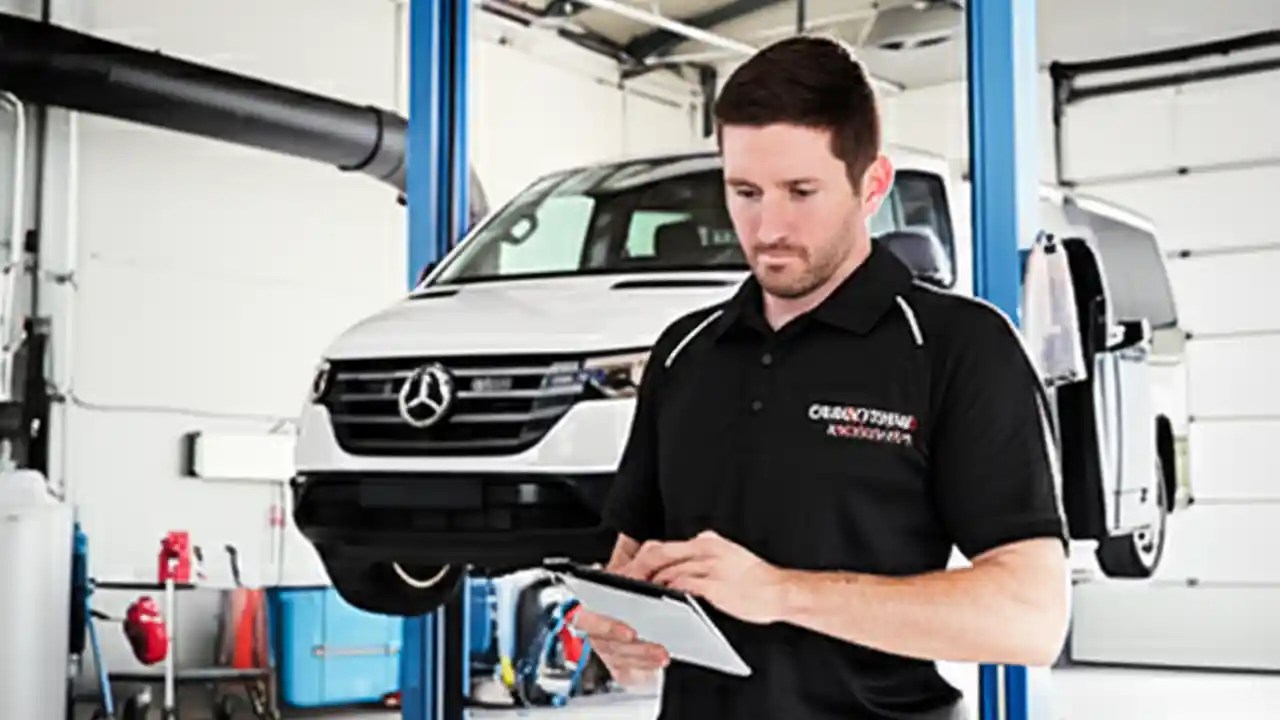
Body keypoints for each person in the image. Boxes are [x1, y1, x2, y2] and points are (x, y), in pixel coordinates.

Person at [574, 36, 1071, 720]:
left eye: (800, 192)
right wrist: (616, 627)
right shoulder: (683, 352)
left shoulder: (958, 346)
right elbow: (630, 559)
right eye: (744, 192)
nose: (768, 227)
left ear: (873, 186)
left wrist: (782, 592)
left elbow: (1030, 619)